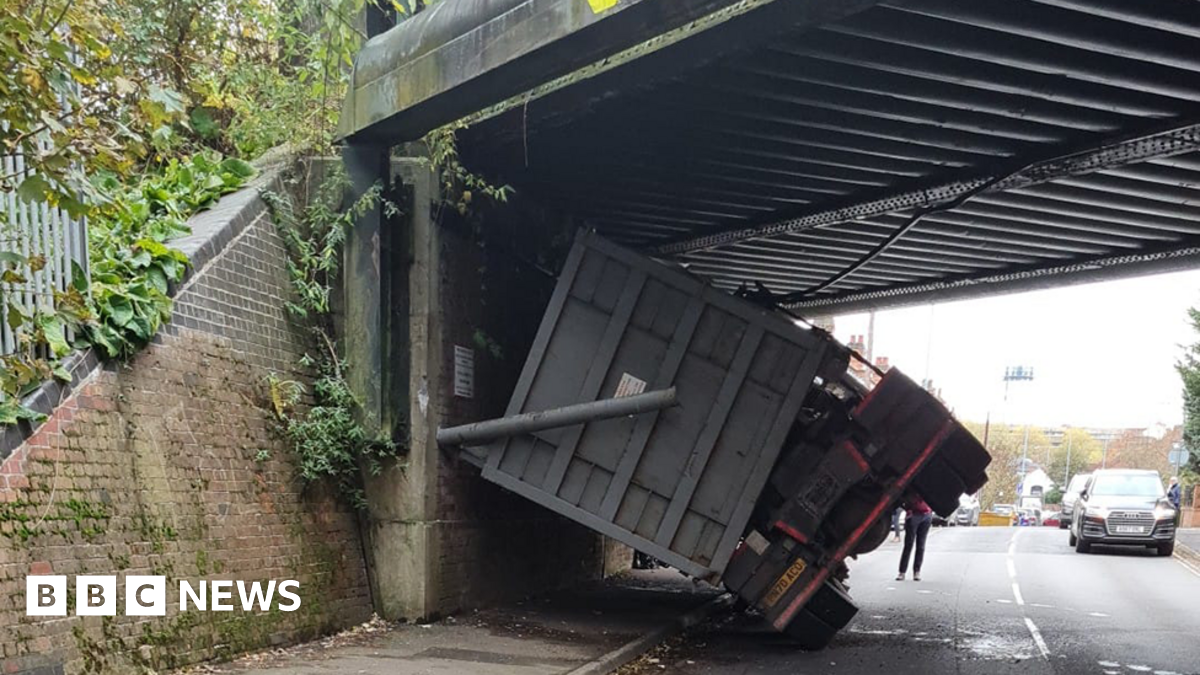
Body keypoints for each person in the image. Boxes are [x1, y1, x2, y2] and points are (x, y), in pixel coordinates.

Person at [896, 491, 933, 581]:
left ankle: (917, 571)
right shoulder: (915, 483)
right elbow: (901, 497)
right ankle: (902, 572)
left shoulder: (930, 484)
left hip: (926, 515)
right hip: (914, 514)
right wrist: (908, 509)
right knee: (909, 544)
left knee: (921, 546)